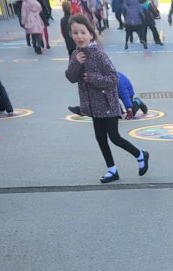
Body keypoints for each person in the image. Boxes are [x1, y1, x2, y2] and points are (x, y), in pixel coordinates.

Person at [65, 15, 150, 183]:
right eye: (75, 33)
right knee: (100, 138)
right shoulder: (76, 54)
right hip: (92, 106)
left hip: (108, 104)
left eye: (83, 32)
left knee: (114, 137)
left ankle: (141, 155)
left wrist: (93, 78)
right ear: (71, 34)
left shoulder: (98, 54)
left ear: (91, 34)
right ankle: (112, 170)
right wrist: (76, 63)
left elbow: (113, 77)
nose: (79, 36)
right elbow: (71, 77)